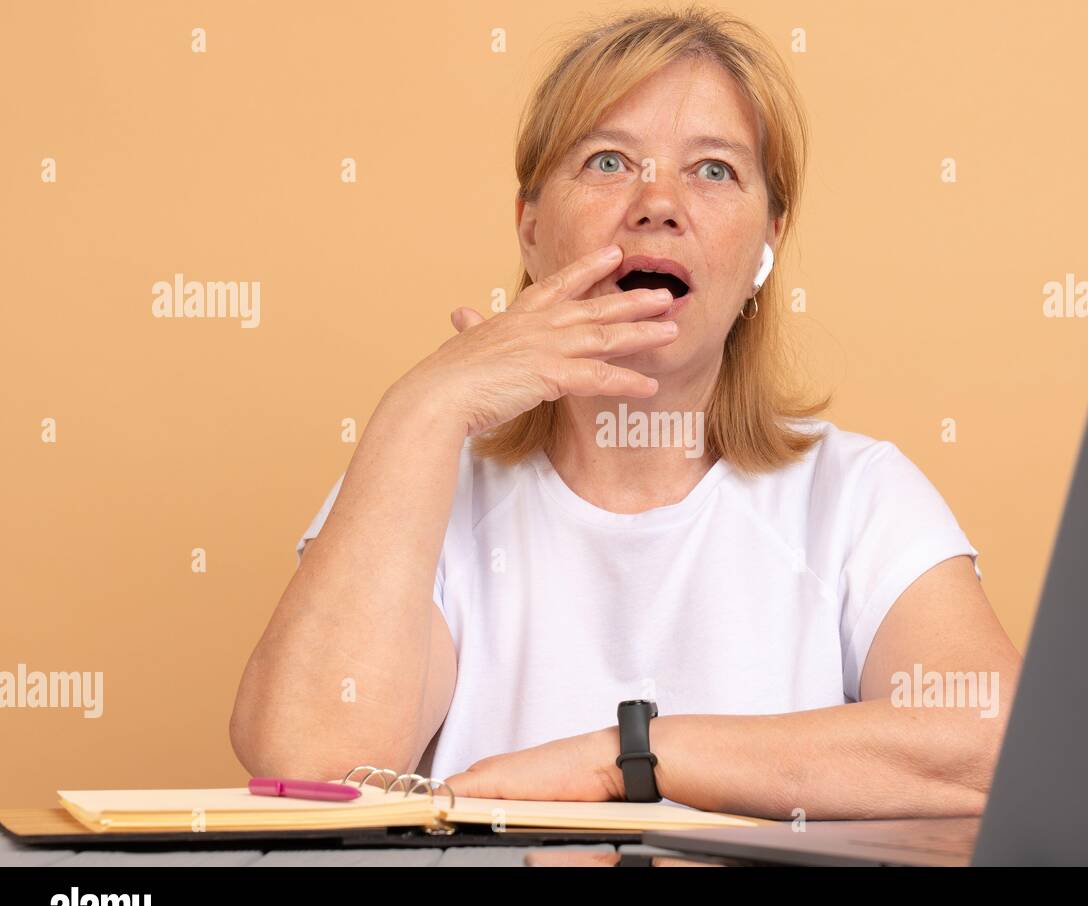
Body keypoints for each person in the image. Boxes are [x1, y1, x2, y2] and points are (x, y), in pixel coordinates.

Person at [230, 6, 1021, 821]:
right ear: (530, 229)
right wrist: (424, 404)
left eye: (714, 170)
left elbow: (997, 750)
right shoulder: (424, 484)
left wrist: (630, 758)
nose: (658, 204)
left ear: (766, 247)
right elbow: (309, 763)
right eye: (608, 161)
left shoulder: (857, 496)